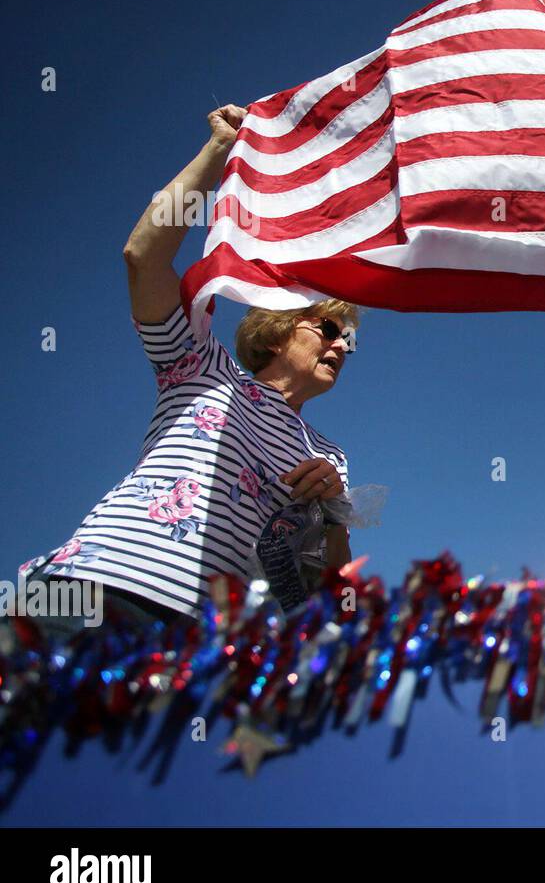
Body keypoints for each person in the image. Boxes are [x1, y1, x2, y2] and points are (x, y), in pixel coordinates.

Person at [12, 105, 359, 642]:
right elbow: (143, 258)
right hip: (91, 586)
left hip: (200, 644)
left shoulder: (329, 456)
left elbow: (324, 587)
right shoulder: (200, 366)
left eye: (349, 338)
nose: (343, 345)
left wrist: (334, 510)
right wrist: (218, 148)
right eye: (330, 328)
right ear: (276, 329)